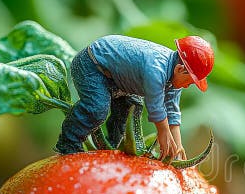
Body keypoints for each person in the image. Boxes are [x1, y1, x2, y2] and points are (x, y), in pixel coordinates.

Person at [55, 35, 214, 159]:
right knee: (97, 109)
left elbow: (172, 111)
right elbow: (156, 108)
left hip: (117, 79)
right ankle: (68, 143)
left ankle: (109, 147)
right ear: (180, 70)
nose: (188, 86)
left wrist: (178, 145)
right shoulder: (156, 69)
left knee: (131, 107)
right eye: (191, 82)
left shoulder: (174, 77)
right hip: (91, 65)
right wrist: (163, 134)